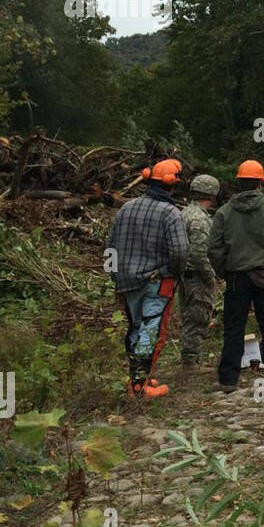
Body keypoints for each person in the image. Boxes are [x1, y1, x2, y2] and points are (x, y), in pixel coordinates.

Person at [207, 160, 264, 391]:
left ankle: (228, 380)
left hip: (237, 278)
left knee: (233, 328)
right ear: (260, 183)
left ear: (238, 183)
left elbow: (214, 249)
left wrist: (224, 272)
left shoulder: (224, 213)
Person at [107, 159, 187, 399]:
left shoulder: (126, 208)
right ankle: (139, 387)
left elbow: (110, 246)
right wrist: (174, 272)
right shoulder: (171, 212)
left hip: (127, 281)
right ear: (172, 184)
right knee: (150, 330)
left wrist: (116, 275)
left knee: (135, 327)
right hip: (156, 280)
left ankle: (139, 375)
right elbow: (181, 251)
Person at [178, 173, 220, 366]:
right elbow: (198, 254)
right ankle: (191, 362)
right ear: (211, 195)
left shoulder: (184, 213)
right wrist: (210, 277)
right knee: (198, 317)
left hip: (185, 275)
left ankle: (189, 358)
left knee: (189, 317)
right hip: (197, 277)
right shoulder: (200, 220)